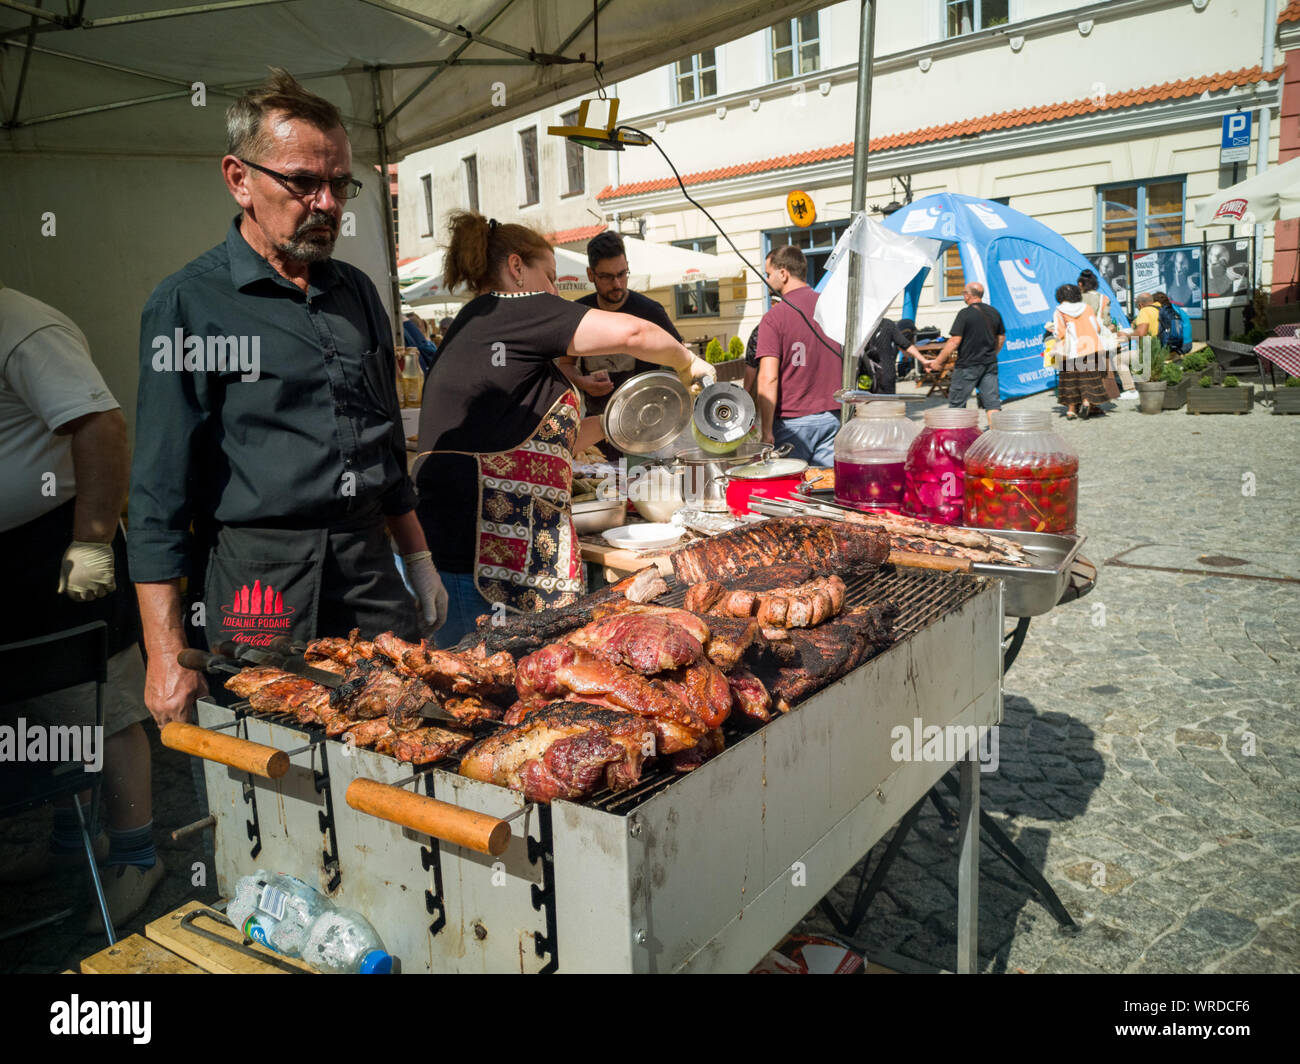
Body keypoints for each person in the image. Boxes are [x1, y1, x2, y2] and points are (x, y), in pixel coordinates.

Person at [128, 69, 446, 732]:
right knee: (278, 764)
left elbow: (384, 442)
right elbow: (158, 496)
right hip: (257, 581)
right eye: (304, 182)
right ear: (239, 179)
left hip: (367, 569)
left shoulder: (356, 291)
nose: (327, 203)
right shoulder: (189, 305)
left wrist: (416, 558)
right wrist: (164, 653)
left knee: (407, 734)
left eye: (339, 185)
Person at [414, 212, 714, 648]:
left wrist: (624, 425)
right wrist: (687, 362)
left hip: (473, 543)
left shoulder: (477, 323)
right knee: (477, 685)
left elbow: (541, 441)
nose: (556, 294)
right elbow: (632, 331)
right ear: (516, 268)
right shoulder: (510, 308)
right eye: (550, 278)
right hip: (477, 549)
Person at [0, 285, 163, 929]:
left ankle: (137, 853)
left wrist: (92, 542)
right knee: (35, 708)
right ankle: (73, 841)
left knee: (103, 710)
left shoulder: (17, 323)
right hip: (9, 562)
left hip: (55, 548)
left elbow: (101, 424)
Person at [560, 231, 685, 418]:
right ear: (590, 274)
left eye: (622, 274)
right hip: (598, 421)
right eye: (607, 277)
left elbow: (681, 358)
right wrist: (581, 381)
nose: (617, 283)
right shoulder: (578, 313)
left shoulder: (650, 311)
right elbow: (565, 365)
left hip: (647, 422)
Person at [755, 245, 844, 465]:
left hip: (792, 422)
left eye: (768, 274)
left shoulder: (774, 317)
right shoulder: (833, 308)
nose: (767, 281)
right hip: (832, 416)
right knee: (826, 487)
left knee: (792, 492)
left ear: (783, 273)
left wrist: (766, 430)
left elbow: (768, 378)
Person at [923, 282, 1004, 423]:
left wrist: (938, 361)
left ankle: (958, 439)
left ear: (968, 295)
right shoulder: (994, 312)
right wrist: (992, 354)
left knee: (957, 405)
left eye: (963, 293)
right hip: (989, 364)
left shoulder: (965, 314)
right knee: (993, 404)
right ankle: (996, 437)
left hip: (967, 365)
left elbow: (954, 341)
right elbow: (1001, 338)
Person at [1050, 283, 1109, 420]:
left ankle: (1071, 410)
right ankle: (1087, 401)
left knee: (1069, 380)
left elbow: (1060, 333)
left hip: (1072, 350)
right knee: (1089, 378)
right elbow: (1097, 327)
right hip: (1091, 347)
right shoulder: (1086, 308)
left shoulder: (1059, 311)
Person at [1078, 268, 1135, 399]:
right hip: (1100, 335)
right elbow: (1106, 320)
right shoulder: (1104, 298)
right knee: (1105, 365)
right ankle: (1108, 392)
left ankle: (1085, 395)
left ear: (1081, 284)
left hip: (1082, 335)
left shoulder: (1077, 298)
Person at [863, 317, 924, 394]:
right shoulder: (887, 323)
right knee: (887, 403)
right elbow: (905, 344)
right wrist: (923, 360)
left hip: (864, 374)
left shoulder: (857, 326)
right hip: (885, 372)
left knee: (865, 402)